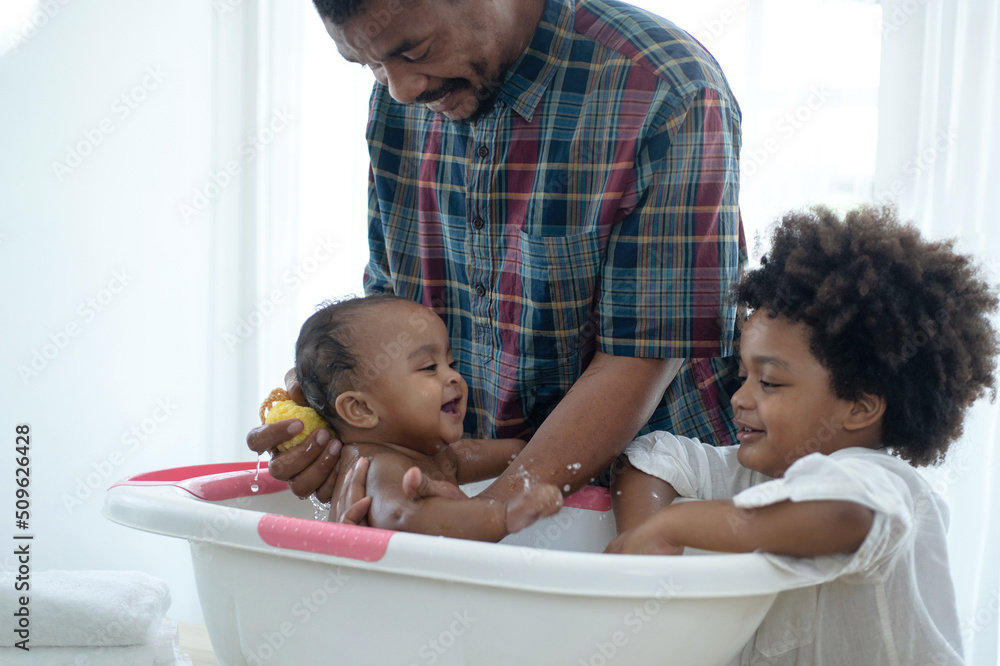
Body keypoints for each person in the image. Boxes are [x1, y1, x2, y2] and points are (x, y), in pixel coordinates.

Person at [248, 0, 746, 533]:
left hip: (643, 511)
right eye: (369, 65)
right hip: (463, 495)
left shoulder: (667, 89)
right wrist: (339, 421)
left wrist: (485, 521)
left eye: (413, 51)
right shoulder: (408, 96)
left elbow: (643, 354)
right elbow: (389, 312)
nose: (399, 90)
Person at [606, 205, 998, 665]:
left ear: (860, 406)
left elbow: (841, 516)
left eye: (769, 382)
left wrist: (671, 524)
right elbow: (655, 454)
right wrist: (641, 549)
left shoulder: (883, 481)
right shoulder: (754, 470)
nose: (740, 398)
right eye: (743, 375)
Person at [294, 294, 563, 540]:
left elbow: (490, 453)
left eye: (451, 363)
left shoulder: (427, 453)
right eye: (429, 367)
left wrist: (536, 453)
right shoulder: (377, 466)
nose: (454, 376)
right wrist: (501, 516)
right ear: (360, 409)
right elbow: (398, 516)